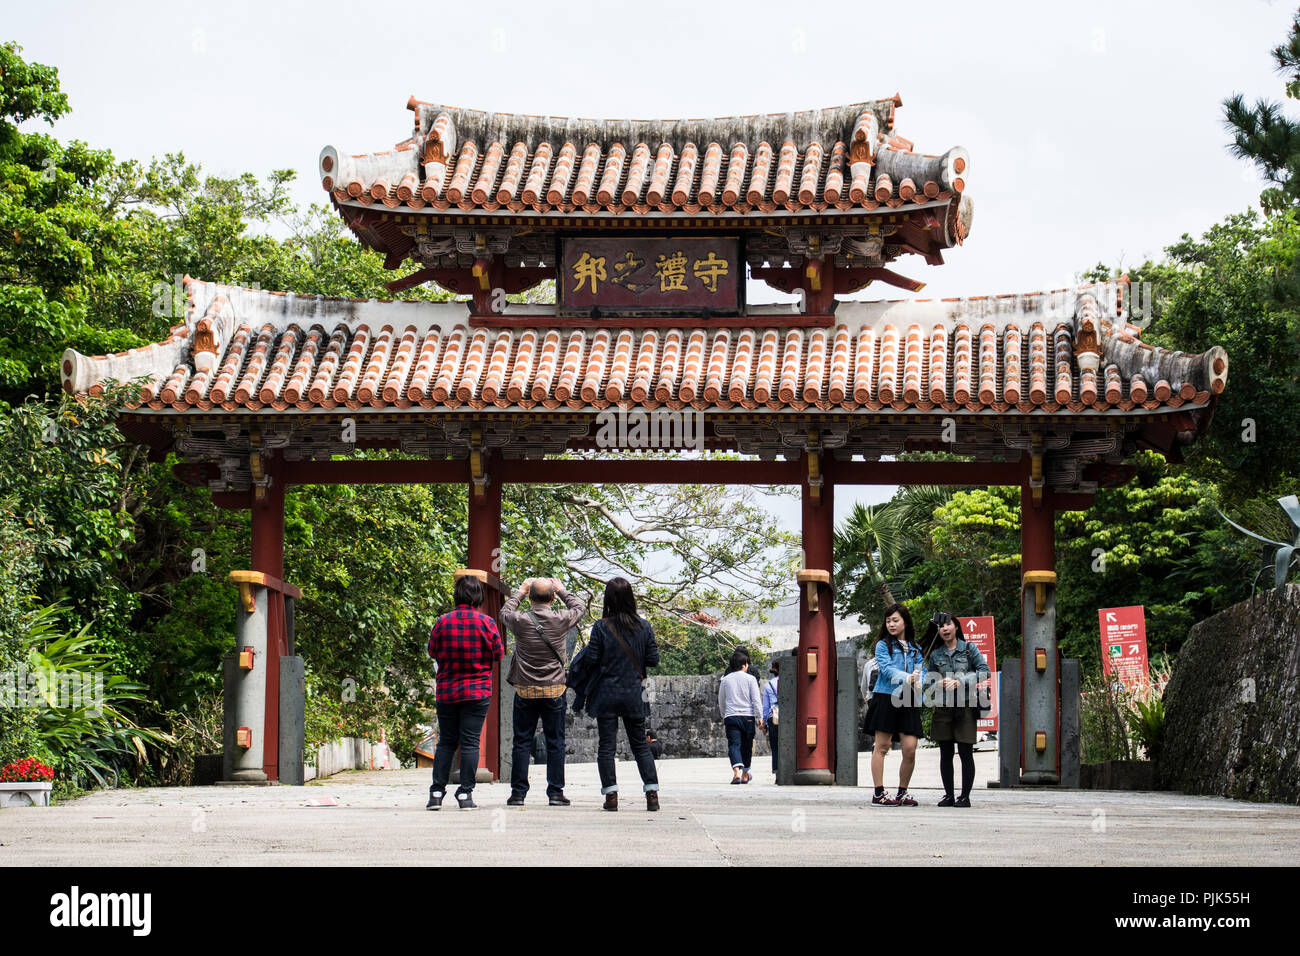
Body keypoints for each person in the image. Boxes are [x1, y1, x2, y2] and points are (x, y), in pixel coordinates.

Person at [499, 576, 586, 807]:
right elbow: (579, 607)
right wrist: (563, 590)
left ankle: (518, 793)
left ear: (530, 596)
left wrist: (520, 590)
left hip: (525, 690)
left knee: (521, 742)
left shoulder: (519, 619)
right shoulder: (561, 619)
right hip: (554, 689)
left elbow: (504, 612)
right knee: (556, 742)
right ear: (553, 596)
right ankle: (555, 792)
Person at [426, 573, 505, 810]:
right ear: (478, 596)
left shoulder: (442, 622)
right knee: (470, 743)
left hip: (447, 691)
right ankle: (465, 795)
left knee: (446, 742)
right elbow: (499, 654)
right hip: (477, 691)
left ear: (457, 595)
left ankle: (436, 794)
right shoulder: (487, 623)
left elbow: (432, 651)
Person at [582, 577, 661, 812]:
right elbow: (653, 660)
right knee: (640, 745)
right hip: (634, 693)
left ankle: (611, 796)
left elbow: (592, 659)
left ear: (608, 599)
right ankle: (652, 794)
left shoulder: (601, 627)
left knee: (607, 746)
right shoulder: (644, 626)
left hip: (606, 693)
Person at [923, 610, 990, 807]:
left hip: (965, 706)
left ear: (956, 627)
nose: (945, 628)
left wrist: (960, 681)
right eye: (941, 626)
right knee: (945, 752)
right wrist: (938, 682)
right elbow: (928, 680)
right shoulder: (936, 654)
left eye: (948, 624)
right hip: (943, 707)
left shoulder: (969, 648)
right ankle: (949, 795)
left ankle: (965, 796)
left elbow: (984, 672)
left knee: (965, 752)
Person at [862, 603, 925, 806]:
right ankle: (878, 793)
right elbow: (887, 670)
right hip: (887, 696)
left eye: (895, 620)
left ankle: (902, 792)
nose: (891, 624)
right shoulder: (883, 645)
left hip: (909, 698)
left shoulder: (916, 649)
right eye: (888, 620)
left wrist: (921, 679)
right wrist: (908, 677)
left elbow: (922, 672)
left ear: (905, 622)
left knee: (910, 747)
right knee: (882, 746)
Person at [761, 659, 780, 776]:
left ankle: (777, 771)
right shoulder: (791, 681)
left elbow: (766, 706)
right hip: (789, 715)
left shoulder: (769, 685)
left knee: (775, 746)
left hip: (774, 716)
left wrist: (765, 723)